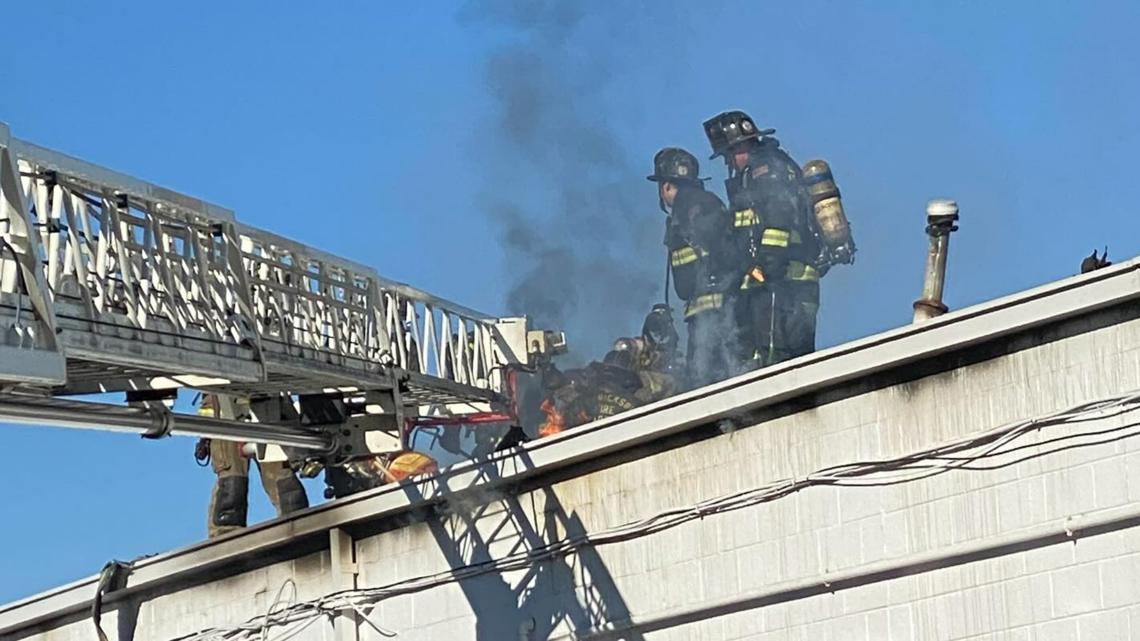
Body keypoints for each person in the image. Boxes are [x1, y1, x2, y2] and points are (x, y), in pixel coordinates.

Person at [703, 110, 822, 367]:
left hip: (783, 283)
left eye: (728, 155)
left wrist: (766, 269)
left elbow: (778, 221)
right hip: (789, 282)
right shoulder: (764, 170)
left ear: (740, 147)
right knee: (795, 361)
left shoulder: (765, 170)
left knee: (776, 360)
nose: (728, 162)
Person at [647, 147, 741, 388]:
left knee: (704, 381)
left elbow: (717, 259)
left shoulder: (686, 210)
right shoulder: (705, 203)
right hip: (720, 308)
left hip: (712, 313)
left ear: (666, 186)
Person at [197, 393, 309, 538]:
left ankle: (298, 525)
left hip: (260, 400)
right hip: (228, 404)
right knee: (233, 480)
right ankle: (226, 536)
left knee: (277, 472)